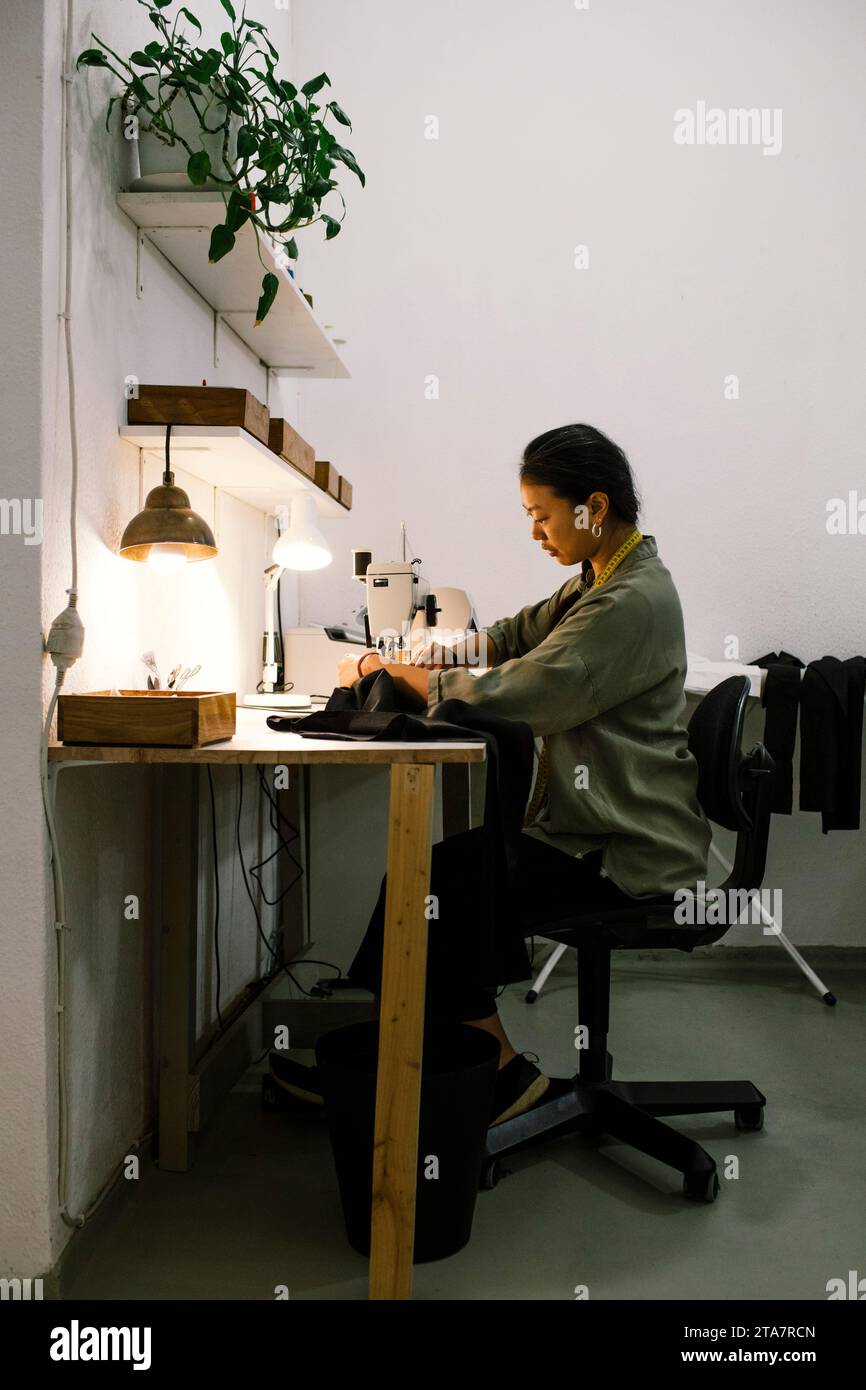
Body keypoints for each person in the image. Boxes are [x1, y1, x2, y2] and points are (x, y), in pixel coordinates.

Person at [275, 423, 711, 1127]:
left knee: (439, 884)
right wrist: (439, 645)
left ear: (592, 508)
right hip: (592, 829)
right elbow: (512, 637)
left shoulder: (628, 602)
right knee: (442, 874)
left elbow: (519, 693)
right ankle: (406, 1064)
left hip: (627, 850)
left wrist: (392, 673)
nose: (536, 531)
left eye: (541, 515)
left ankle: (497, 1076)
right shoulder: (601, 578)